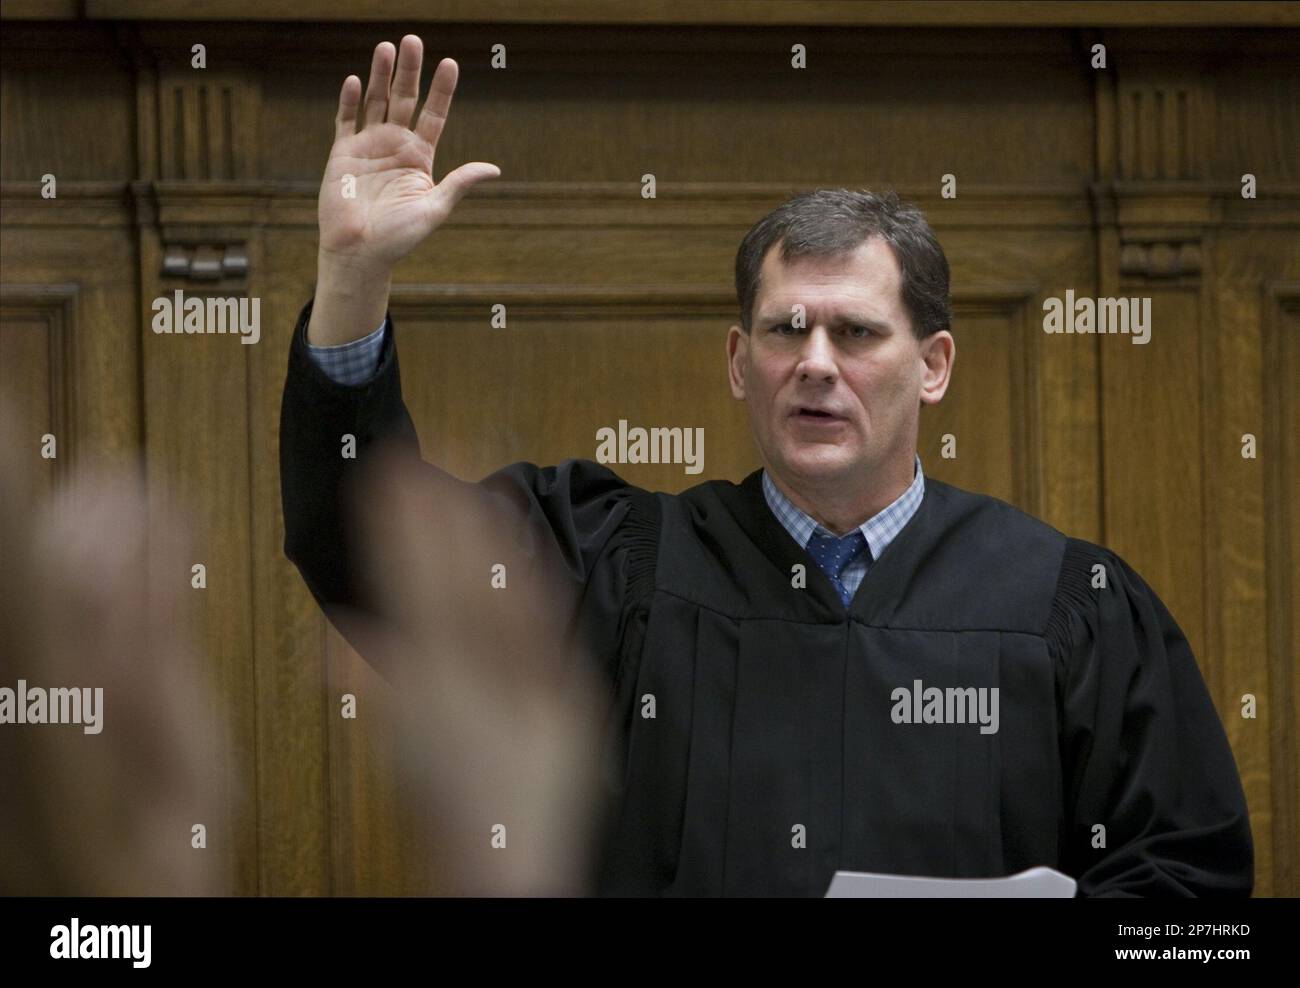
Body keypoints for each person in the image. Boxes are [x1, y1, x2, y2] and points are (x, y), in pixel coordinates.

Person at [280, 35, 1254, 897]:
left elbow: (1190, 881)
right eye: (786, 328)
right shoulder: (619, 568)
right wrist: (354, 277)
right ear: (740, 364)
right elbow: (366, 549)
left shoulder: (1065, 604)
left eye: (856, 331)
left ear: (934, 365)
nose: (816, 361)